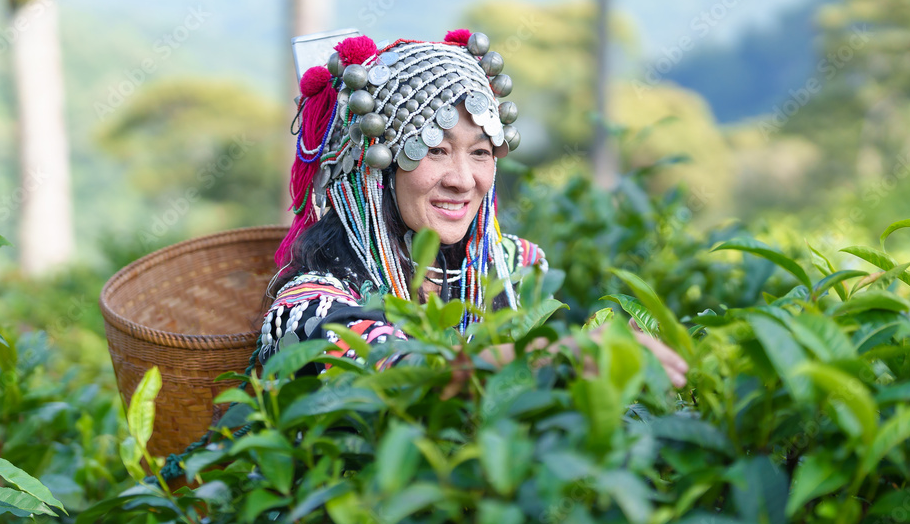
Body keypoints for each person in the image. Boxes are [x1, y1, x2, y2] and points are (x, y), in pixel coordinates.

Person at [253, 30, 687, 387]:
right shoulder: (308, 308)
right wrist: (553, 356)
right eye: (435, 151)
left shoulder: (516, 270)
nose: (463, 179)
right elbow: (403, 375)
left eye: (480, 153)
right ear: (375, 171)